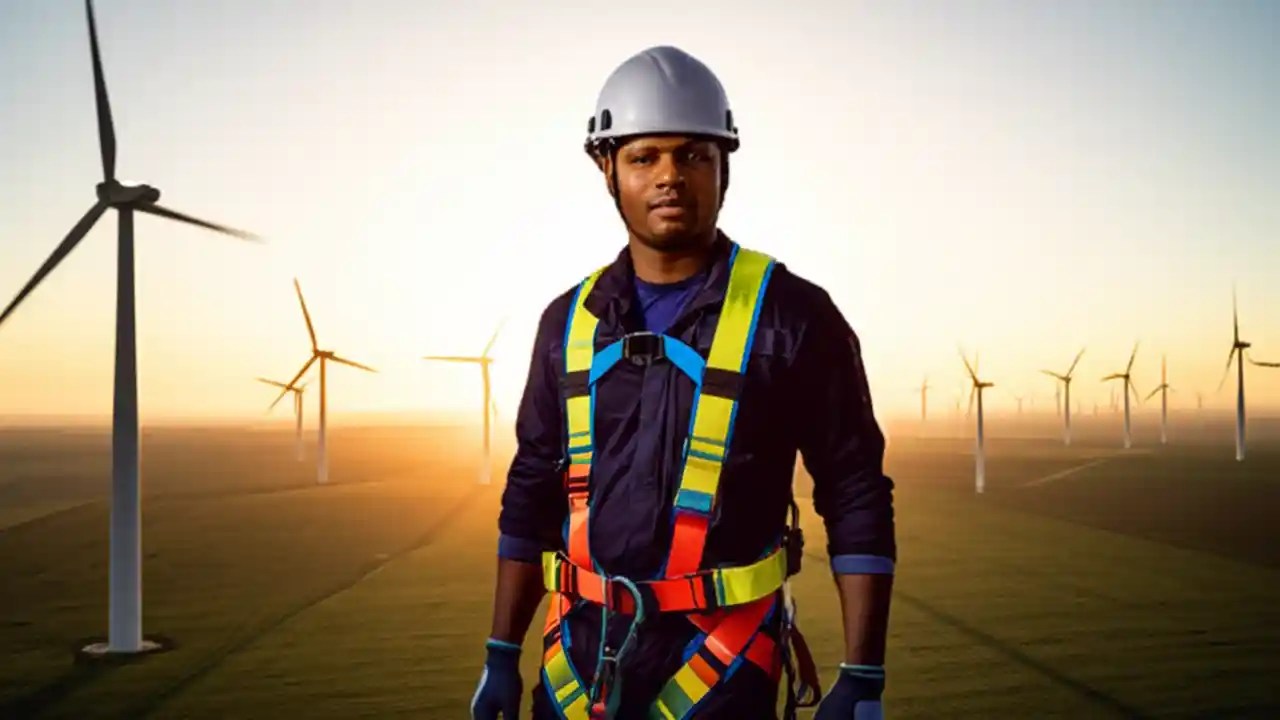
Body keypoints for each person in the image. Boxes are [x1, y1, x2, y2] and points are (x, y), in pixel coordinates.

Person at [471, 45, 896, 720]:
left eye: (693, 155)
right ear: (607, 168)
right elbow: (530, 491)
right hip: (576, 668)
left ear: (724, 166)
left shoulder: (793, 318)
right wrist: (500, 655)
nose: (670, 176)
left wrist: (864, 675)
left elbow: (855, 493)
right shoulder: (567, 325)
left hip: (722, 675)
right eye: (645, 157)